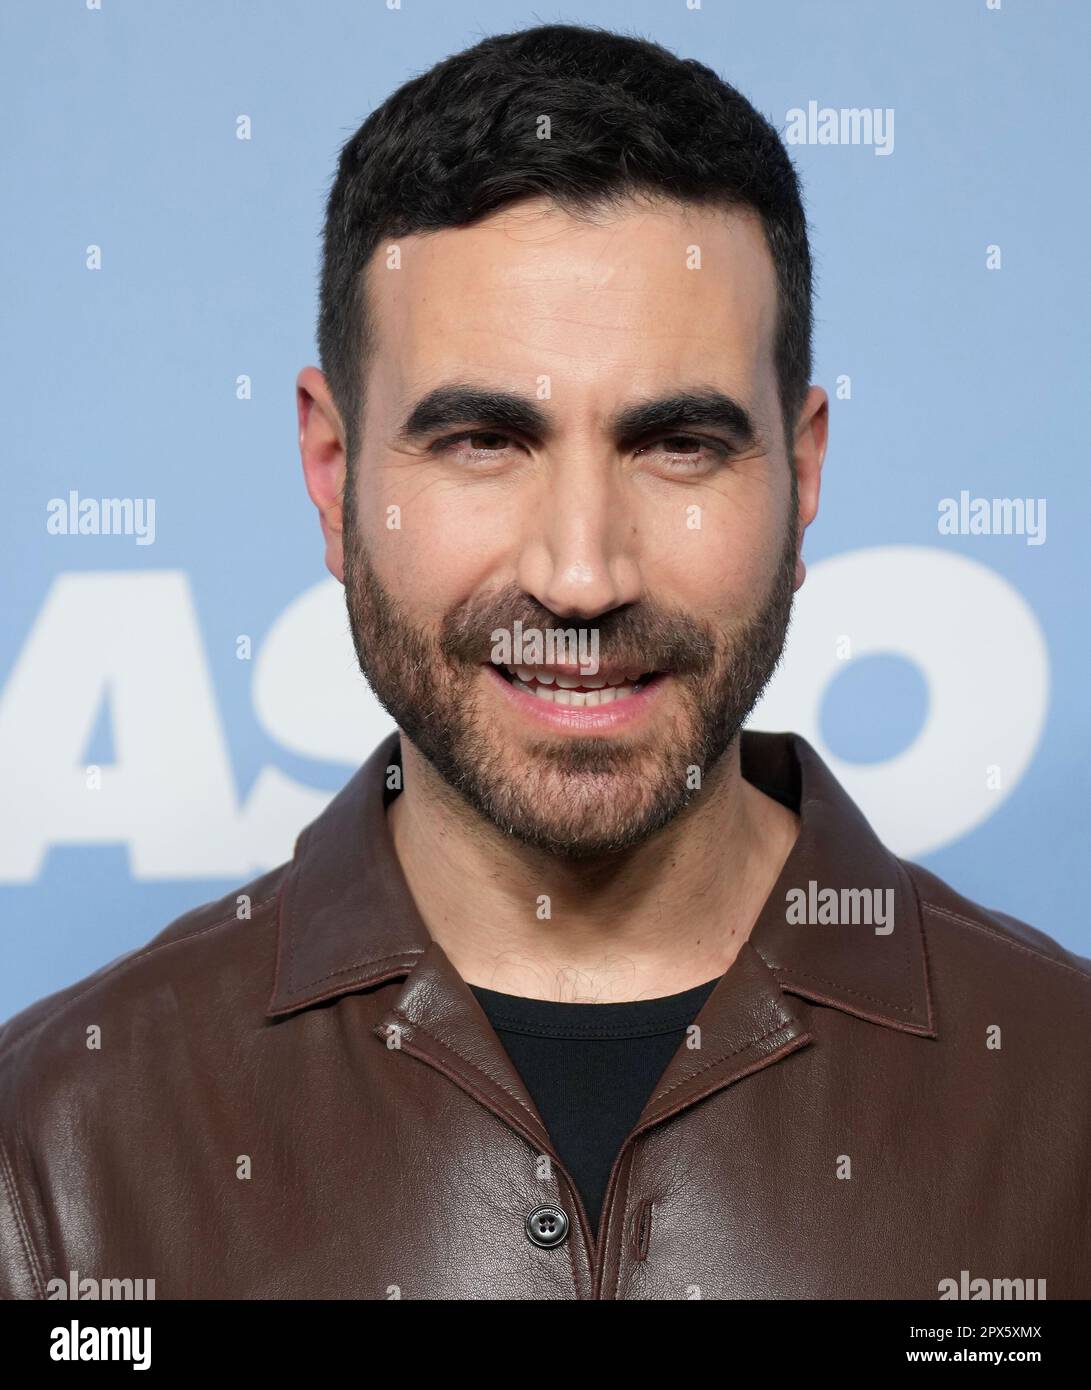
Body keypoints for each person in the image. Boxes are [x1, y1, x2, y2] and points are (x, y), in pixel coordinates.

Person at [1, 22, 1087, 1301]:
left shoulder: (1063, 1094)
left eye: (676, 443)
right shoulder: (51, 1153)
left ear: (799, 476)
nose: (580, 574)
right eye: (479, 439)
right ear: (333, 471)